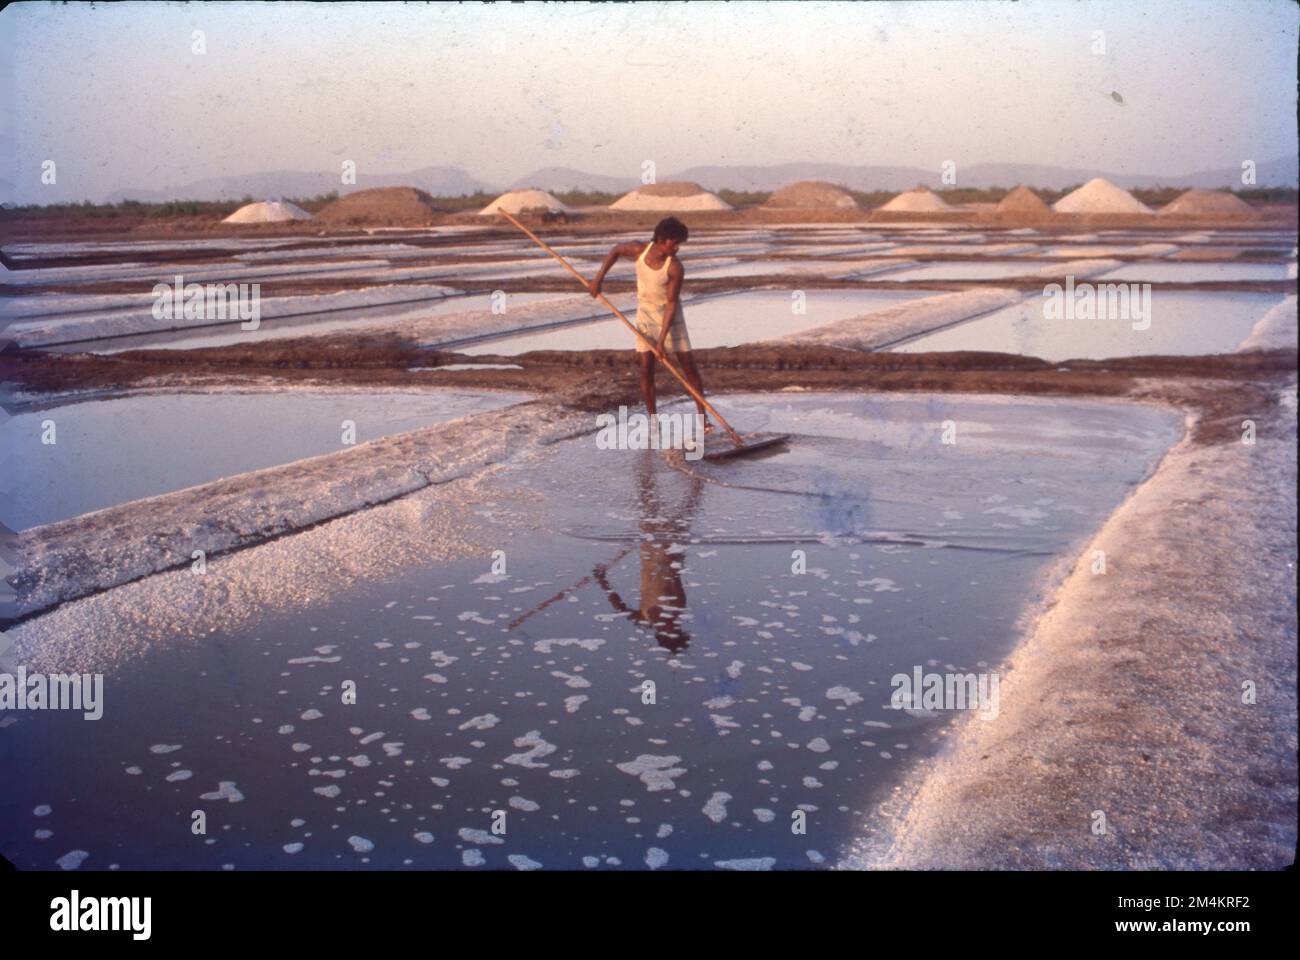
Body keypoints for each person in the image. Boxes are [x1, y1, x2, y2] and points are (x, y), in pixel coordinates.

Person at [589, 216, 712, 435]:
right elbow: (615, 250)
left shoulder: (675, 267)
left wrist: (662, 341)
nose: (677, 248)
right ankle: (653, 421)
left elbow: (672, 303)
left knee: (688, 367)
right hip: (645, 316)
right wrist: (598, 279)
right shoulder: (639, 250)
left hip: (671, 320)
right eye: (675, 243)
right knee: (646, 369)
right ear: (663, 240)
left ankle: (704, 419)